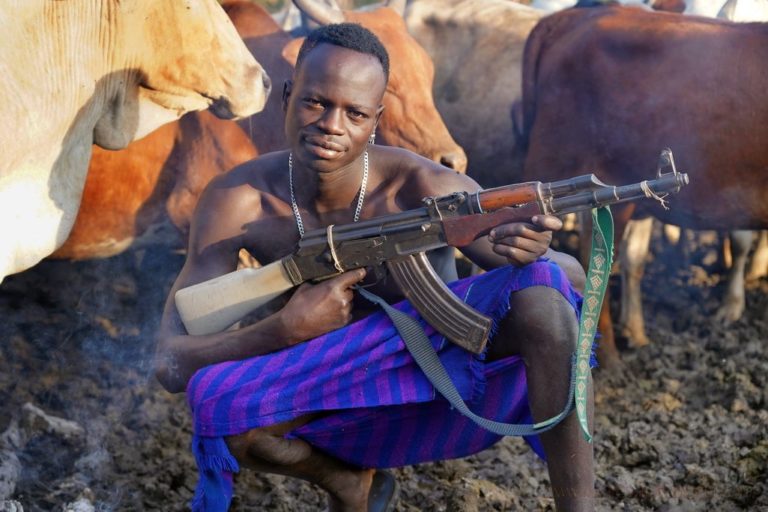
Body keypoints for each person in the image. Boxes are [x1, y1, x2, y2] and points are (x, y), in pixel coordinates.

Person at [154, 23, 594, 512]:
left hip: (443, 385)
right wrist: (283, 329)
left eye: (355, 113)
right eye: (315, 103)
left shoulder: (424, 186)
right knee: (217, 403)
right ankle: (345, 482)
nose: (332, 126)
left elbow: (566, 283)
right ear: (286, 95)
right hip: (332, 391)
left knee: (543, 298)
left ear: (376, 120)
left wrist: (533, 248)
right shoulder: (238, 202)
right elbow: (169, 363)